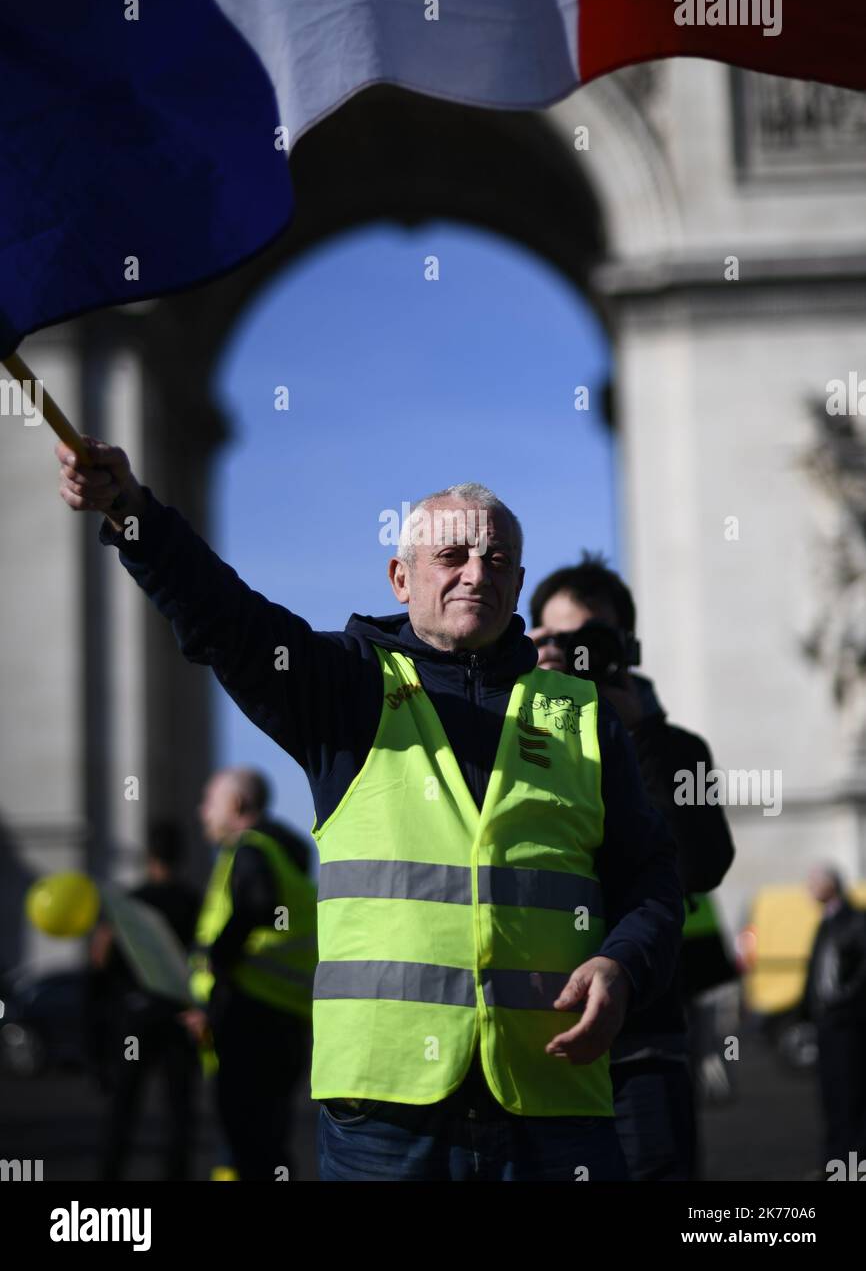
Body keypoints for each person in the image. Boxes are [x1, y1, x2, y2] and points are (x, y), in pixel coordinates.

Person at [57, 441, 683, 1183]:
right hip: (384, 1116)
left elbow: (652, 875)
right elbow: (225, 619)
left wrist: (622, 963)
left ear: (518, 581)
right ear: (400, 575)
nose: (475, 572)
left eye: (496, 559)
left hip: (553, 1104)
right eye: (451, 555)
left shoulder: (581, 712)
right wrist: (132, 514)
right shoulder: (342, 688)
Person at [529, 555, 734, 1180]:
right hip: (536, 1036)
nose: (574, 653)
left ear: (625, 645)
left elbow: (700, 863)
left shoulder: (678, 750)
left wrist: (635, 734)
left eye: (591, 638)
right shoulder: (517, 734)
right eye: (554, 638)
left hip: (644, 1039)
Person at [183, 767, 318, 1182]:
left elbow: (258, 902)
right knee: (270, 1144)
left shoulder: (250, 849)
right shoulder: (288, 853)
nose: (202, 811)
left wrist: (219, 961)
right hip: (288, 1015)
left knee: (247, 1145)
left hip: (249, 1014)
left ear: (238, 805)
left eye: (210, 800)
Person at [90, 820, 201, 1181]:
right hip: (179, 1018)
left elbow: (101, 962)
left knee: (122, 1111)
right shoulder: (194, 902)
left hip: (136, 1019)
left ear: (149, 856)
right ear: (181, 857)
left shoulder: (131, 903)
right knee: (179, 1115)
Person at [803, 864, 866, 1172]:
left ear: (832, 885)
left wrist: (842, 1005)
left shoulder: (855, 919)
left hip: (848, 1026)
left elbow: (858, 975)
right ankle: (836, 1164)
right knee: (831, 1098)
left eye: (814, 881)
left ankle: (849, 1167)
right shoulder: (825, 922)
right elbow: (814, 973)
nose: (808, 888)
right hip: (827, 1025)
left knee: (848, 1098)